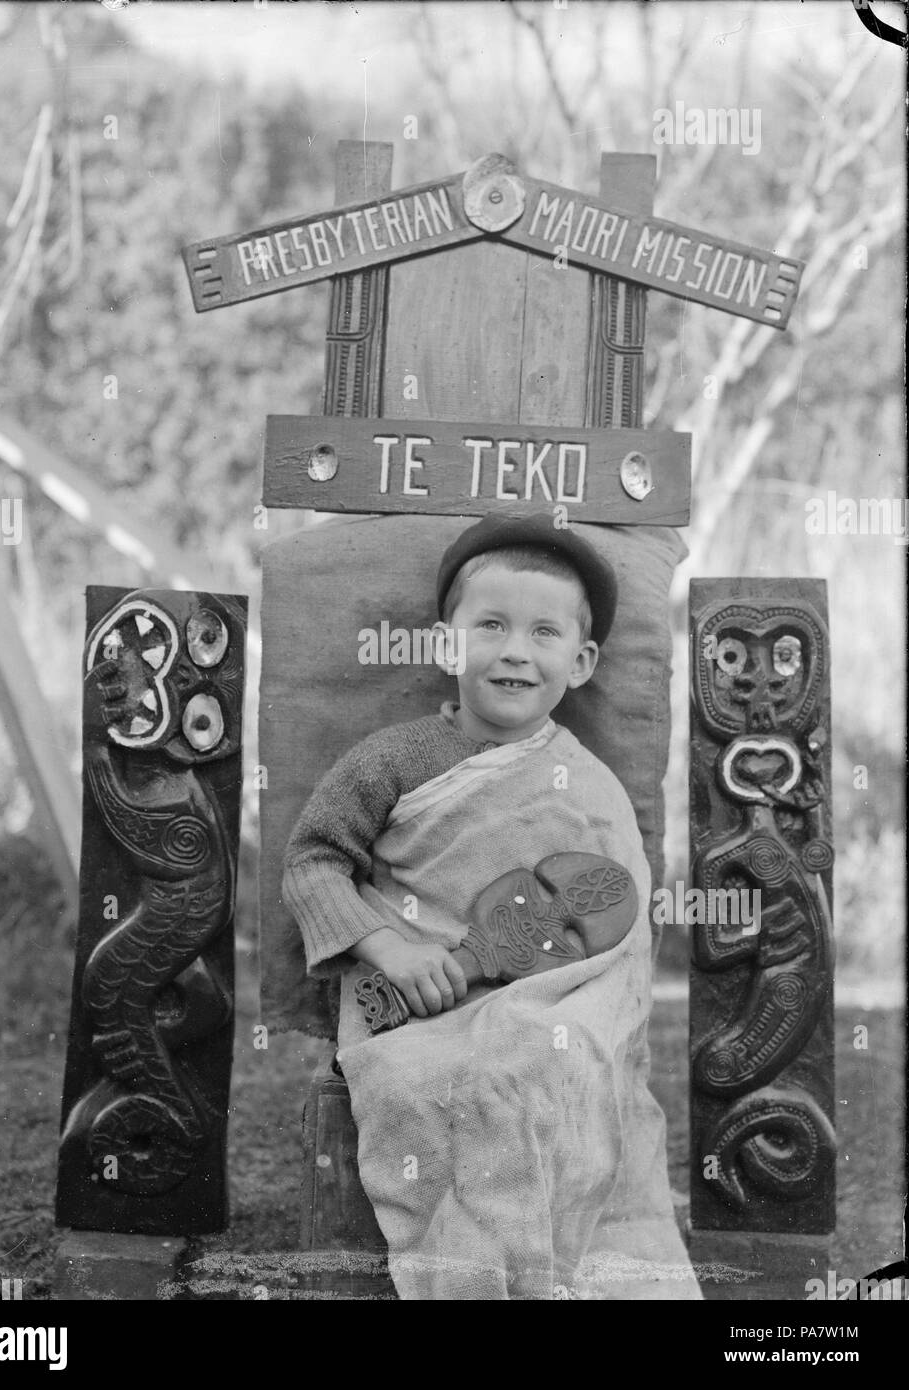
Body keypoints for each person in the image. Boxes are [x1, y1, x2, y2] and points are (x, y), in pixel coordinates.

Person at [282, 514, 700, 1300]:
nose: (515, 650)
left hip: (546, 1006)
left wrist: (548, 1009)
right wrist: (389, 950)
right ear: (447, 645)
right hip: (410, 1004)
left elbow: (616, 933)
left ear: (580, 663)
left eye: (544, 633)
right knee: (426, 1083)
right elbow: (312, 864)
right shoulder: (392, 760)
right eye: (491, 626)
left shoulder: (591, 785)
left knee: (546, 1061)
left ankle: (554, 1278)